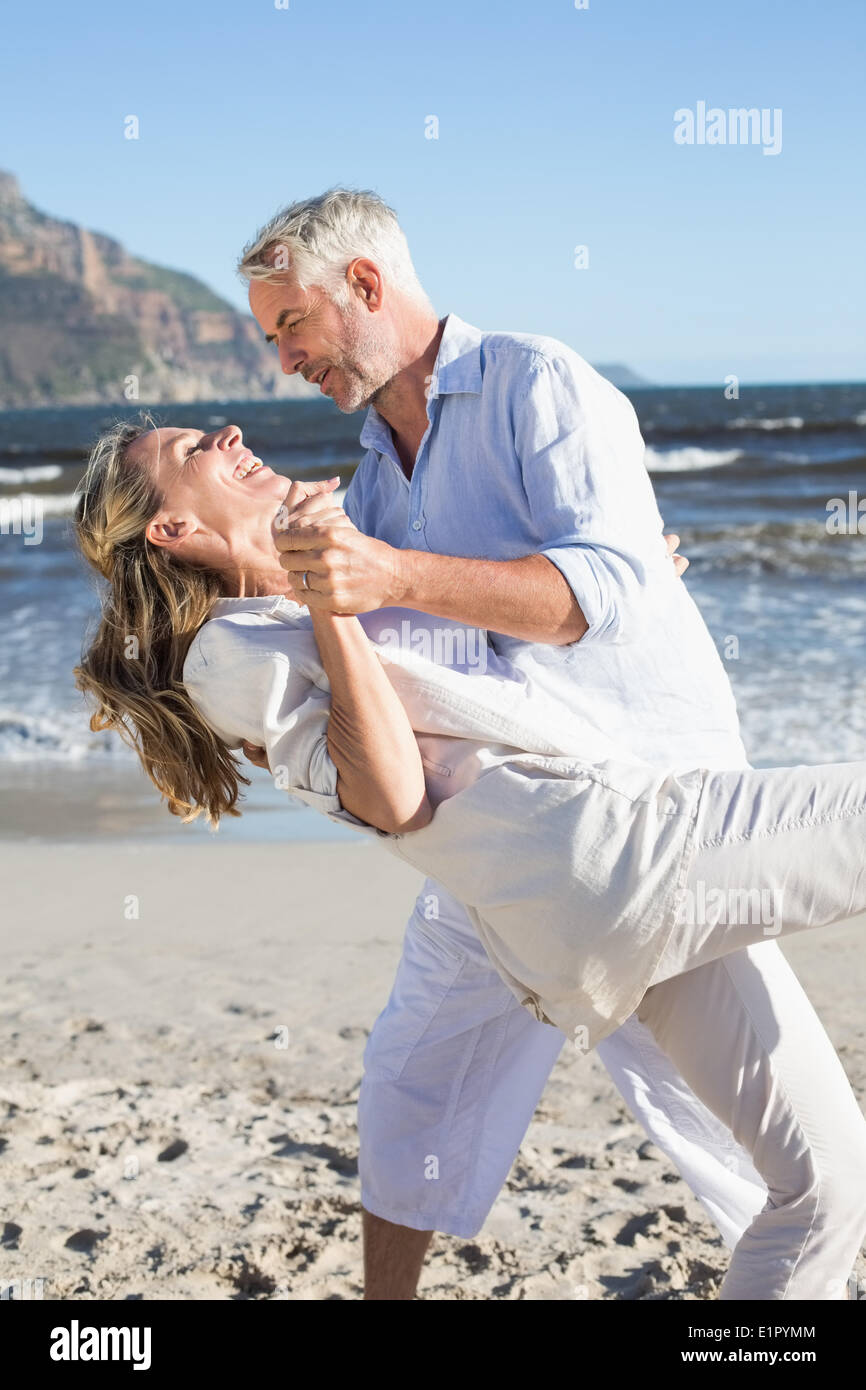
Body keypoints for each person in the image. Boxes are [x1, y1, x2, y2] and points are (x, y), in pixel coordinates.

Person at [74, 418, 866, 1300]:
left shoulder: (335, 583)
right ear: (171, 531)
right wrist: (329, 600)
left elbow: (491, 686)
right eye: (192, 452)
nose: (228, 432)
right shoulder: (231, 653)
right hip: (623, 848)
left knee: (827, 1183)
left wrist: (614, 607)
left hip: (592, 896)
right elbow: (392, 797)